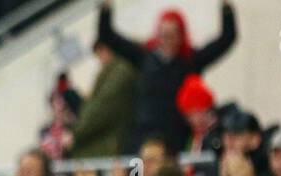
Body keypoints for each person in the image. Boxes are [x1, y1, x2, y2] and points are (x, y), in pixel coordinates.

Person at [96, 0, 238, 153]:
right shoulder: (144, 57)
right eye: (163, 35)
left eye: (172, 35)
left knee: (169, 175)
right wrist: (105, 8)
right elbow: (107, 36)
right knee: (136, 174)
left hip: (176, 141)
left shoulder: (191, 61)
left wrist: (226, 9)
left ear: (180, 35)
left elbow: (226, 39)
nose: (167, 40)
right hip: (142, 138)